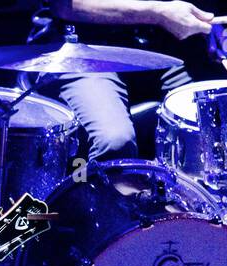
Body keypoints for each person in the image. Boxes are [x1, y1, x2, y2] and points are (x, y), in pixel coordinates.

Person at [40, 0, 215, 160]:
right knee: (114, 141)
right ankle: (112, 192)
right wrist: (158, 14)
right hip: (82, 50)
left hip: (158, 48)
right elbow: (64, 6)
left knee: (209, 130)